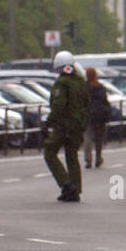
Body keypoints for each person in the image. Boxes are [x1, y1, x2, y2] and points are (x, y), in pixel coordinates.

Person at [43, 50, 90, 203]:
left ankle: (66, 184)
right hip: (78, 125)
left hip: (63, 125)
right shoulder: (81, 82)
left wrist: (48, 122)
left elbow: (58, 106)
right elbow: (87, 105)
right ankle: (75, 190)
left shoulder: (62, 83)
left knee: (49, 152)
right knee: (72, 156)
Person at [83, 67, 112, 169]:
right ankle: (98, 158)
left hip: (88, 115)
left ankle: (88, 159)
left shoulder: (84, 87)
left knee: (87, 137)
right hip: (100, 116)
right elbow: (105, 101)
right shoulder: (100, 87)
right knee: (99, 138)